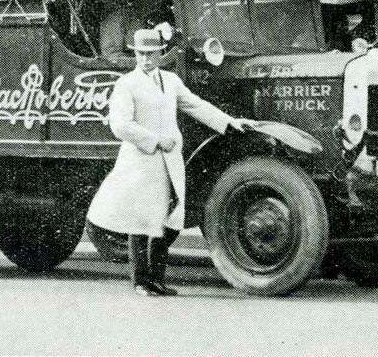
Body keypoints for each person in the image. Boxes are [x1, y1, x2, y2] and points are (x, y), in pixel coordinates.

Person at [86, 29, 253, 296]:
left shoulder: (171, 80)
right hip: (142, 161)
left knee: (168, 219)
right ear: (135, 54)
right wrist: (154, 140)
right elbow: (119, 125)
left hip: (169, 161)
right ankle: (141, 281)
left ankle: (157, 279)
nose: (145, 59)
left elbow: (196, 106)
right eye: (140, 54)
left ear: (161, 53)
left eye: (151, 54)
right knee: (141, 221)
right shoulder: (126, 84)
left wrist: (230, 122)